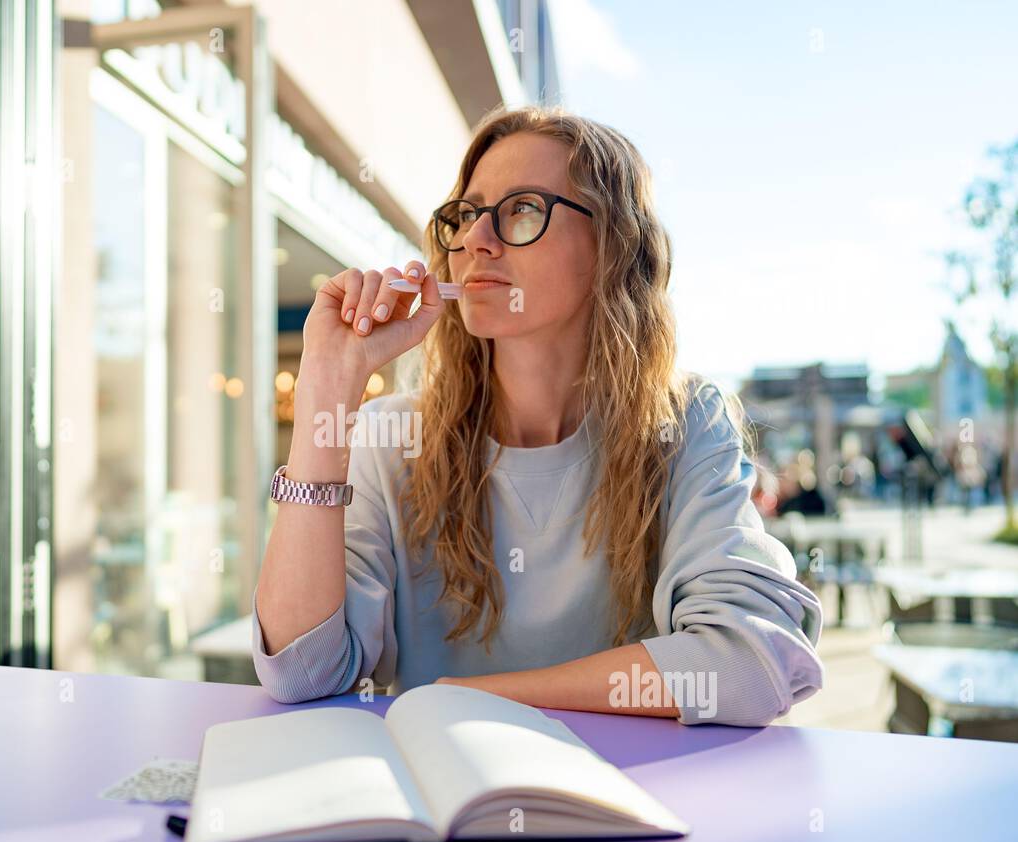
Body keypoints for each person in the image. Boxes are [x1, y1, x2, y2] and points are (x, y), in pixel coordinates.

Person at [251, 106, 824, 727]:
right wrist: (326, 397)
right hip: (436, 804)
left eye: (522, 208)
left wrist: (479, 696)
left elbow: (750, 662)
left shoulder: (682, 426)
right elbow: (302, 670)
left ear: (613, 246)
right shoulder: (393, 440)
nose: (475, 240)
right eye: (467, 215)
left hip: (634, 803)